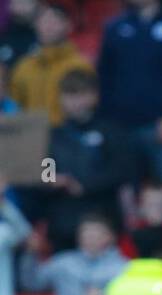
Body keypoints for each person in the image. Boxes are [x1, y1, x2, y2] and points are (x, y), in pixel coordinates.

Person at [96, 0, 162, 184]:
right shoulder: (114, 27)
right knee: (123, 194)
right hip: (121, 129)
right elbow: (103, 78)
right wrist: (108, 123)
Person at [39, 68, 134, 253]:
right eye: (69, 95)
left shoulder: (111, 132)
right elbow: (46, 170)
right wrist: (52, 181)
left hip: (103, 216)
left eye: (80, 94)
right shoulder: (53, 136)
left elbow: (121, 170)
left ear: (94, 96)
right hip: (64, 222)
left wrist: (84, 185)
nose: (75, 102)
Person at [8, 1, 90, 126]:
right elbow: (14, 106)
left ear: (68, 25)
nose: (48, 27)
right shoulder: (24, 66)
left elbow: (87, 107)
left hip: (67, 137)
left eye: (54, 21)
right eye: (44, 21)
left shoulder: (79, 66)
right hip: (32, 137)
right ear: (36, 25)